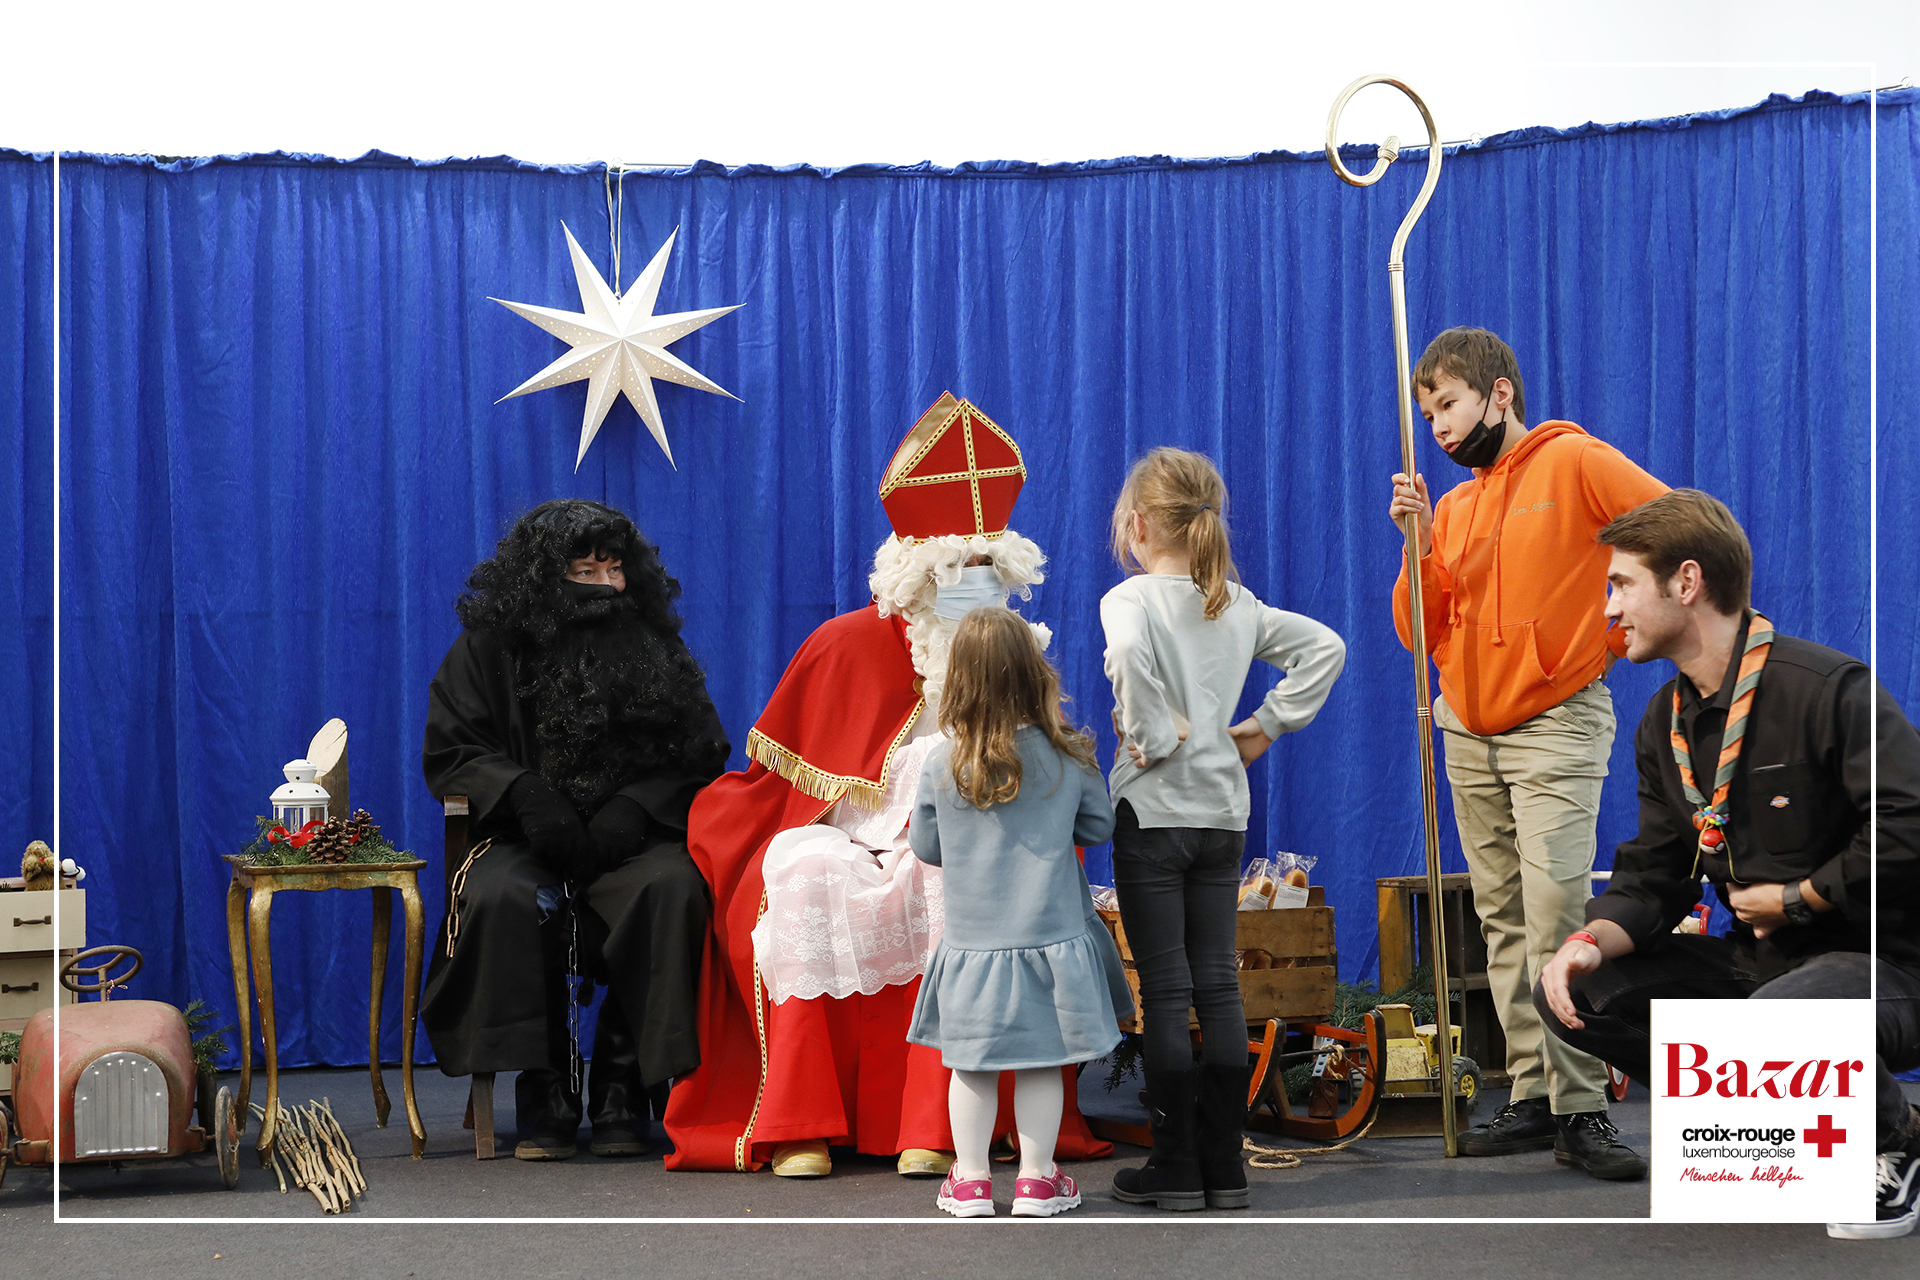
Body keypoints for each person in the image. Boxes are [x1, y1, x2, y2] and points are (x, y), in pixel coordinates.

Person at [663, 393, 1117, 1175]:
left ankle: (930, 1129)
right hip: (849, 831)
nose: (973, 583)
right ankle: (801, 1122)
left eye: (987, 568)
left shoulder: (1015, 650)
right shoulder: (843, 644)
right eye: (958, 567)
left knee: (945, 887)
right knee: (803, 875)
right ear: (916, 568)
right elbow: (793, 790)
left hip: (954, 840)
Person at [1531, 488, 1920, 1235]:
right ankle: (1796, 1137)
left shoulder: (1828, 690)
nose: (1608, 609)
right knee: (1575, 991)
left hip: (1880, 962)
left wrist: (1802, 897)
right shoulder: (1664, 722)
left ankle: (1893, 1138)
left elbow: (1909, 824)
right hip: (1762, 966)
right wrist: (1587, 941)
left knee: (1778, 1020)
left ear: (1686, 582)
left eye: (1620, 585)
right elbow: (1654, 873)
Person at [1387, 326, 1666, 1179]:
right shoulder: (1459, 505)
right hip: (1466, 726)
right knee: (1500, 917)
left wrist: (1613, 631)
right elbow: (1418, 632)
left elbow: (1671, 526)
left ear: (1499, 393)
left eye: (1448, 403)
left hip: (1555, 721)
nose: (1436, 424)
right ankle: (1535, 1092)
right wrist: (1420, 541)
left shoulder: (1573, 462)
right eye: (1426, 410)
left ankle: (1583, 1107)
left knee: (1552, 914)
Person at [420, 499, 730, 1160]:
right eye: (585, 570)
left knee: (671, 890)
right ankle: (545, 1088)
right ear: (543, 576)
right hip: (519, 838)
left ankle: (625, 1085)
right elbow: (454, 751)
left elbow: (700, 753)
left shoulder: (658, 649)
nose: (604, 585)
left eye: (614, 570)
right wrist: (525, 794)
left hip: (632, 843)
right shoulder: (485, 650)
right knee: (503, 897)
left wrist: (637, 807)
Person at [1103, 446, 1346, 1211]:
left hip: (1151, 813)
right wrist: (1267, 724)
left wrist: (1151, 736)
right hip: (1221, 817)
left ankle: (1175, 1166)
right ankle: (1224, 1168)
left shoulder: (1130, 600)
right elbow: (1324, 647)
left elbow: (1128, 660)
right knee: (1217, 982)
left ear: (1139, 525)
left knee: (1168, 989)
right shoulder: (1235, 603)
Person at [906, 607, 1133, 1219]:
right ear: (1035, 675)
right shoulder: (1071, 755)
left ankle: (973, 1181)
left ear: (958, 682)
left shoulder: (940, 762)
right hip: (1051, 937)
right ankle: (1037, 1181)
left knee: (972, 1068)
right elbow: (1098, 826)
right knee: (1041, 1063)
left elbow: (927, 847)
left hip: (974, 945)